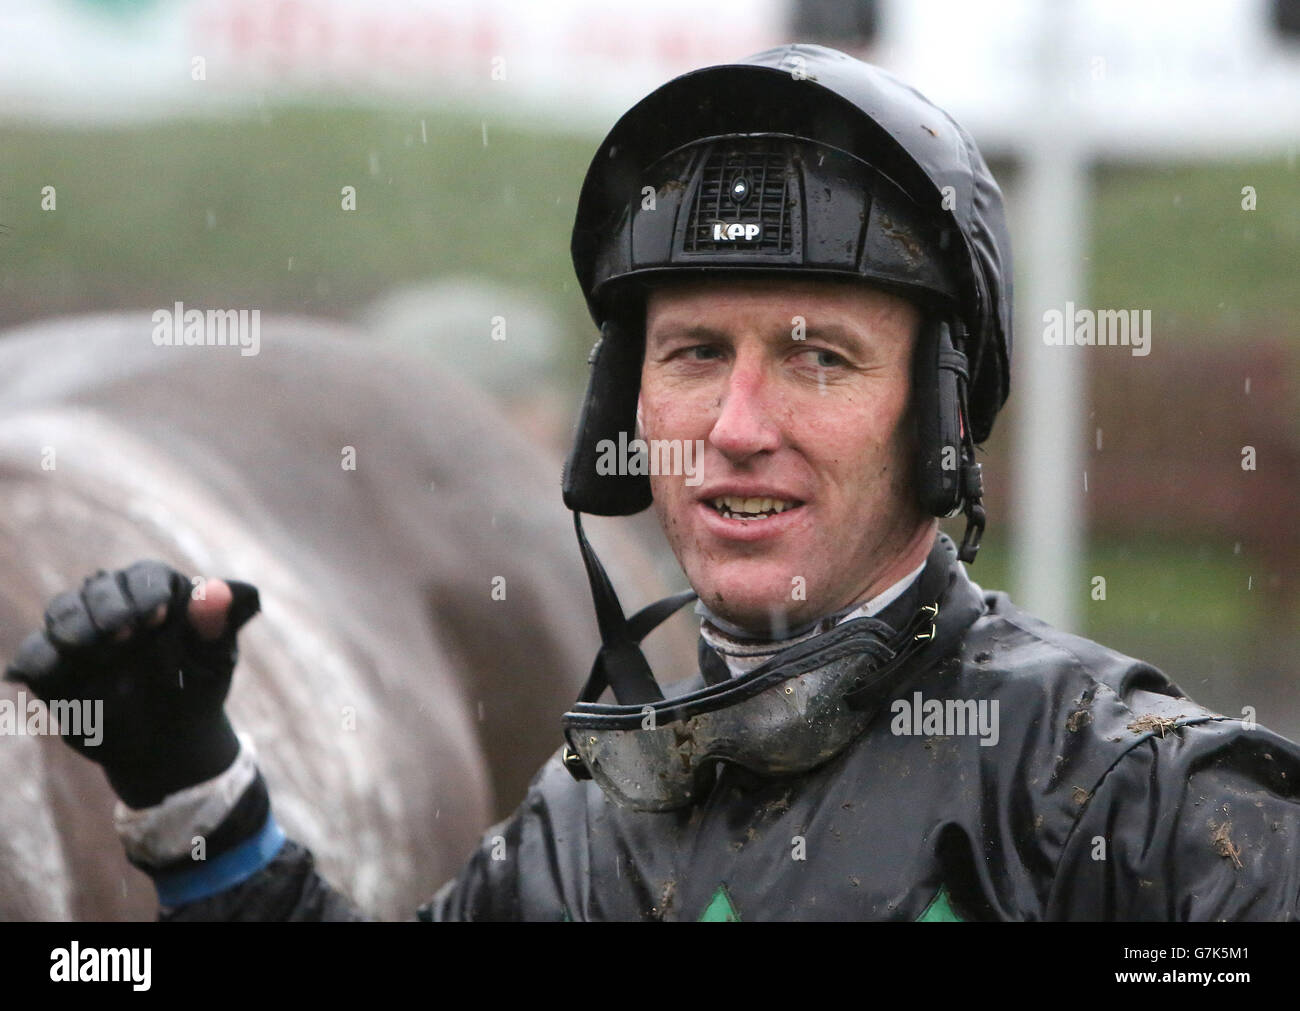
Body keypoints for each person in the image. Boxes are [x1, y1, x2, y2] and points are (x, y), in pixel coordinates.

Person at [8, 44, 1300, 921]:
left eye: (816, 358)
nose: (735, 427)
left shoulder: (1140, 810)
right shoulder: (584, 831)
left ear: (942, 422)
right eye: (694, 355)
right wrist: (190, 793)